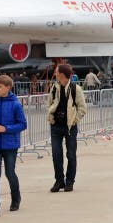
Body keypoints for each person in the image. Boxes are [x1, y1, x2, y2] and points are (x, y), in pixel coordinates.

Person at [0, 75, 27, 218]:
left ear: (8, 87)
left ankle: (16, 198)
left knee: (10, 172)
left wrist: (6, 129)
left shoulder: (15, 105)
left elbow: (22, 124)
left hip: (10, 145)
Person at [46, 64, 87, 192]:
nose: (55, 73)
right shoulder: (54, 87)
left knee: (71, 155)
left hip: (70, 127)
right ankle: (59, 180)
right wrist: (51, 118)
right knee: (56, 154)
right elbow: (49, 103)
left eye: (56, 72)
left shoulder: (76, 89)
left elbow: (82, 108)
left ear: (62, 74)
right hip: (56, 127)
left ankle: (70, 181)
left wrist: (75, 120)